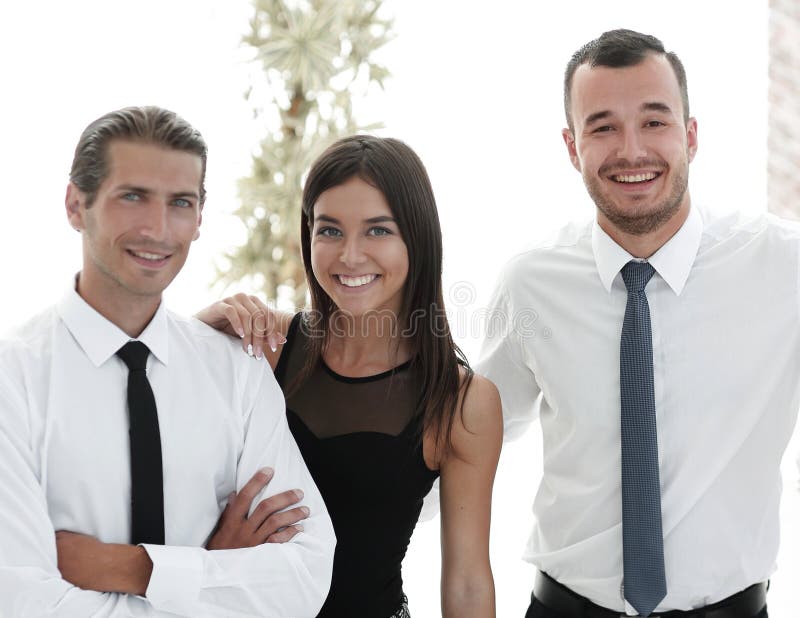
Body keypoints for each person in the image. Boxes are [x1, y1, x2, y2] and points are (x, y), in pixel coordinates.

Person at [478, 28, 796, 618]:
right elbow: (464, 438)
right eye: (603, 127)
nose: (631, 150)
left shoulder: (784, 268)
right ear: (572, 148)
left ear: (691, 135)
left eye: (654, 121)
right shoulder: (531, 284)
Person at [0, 106, 335, 617]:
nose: (158, 229)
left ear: (200, 218)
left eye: (180, 202)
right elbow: (24, 601)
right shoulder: (12, 380)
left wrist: (139, 569)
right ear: (75, 204)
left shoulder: (238, 374)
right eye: (133, 196)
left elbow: (302, 580)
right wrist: (214, 568)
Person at [197, 135, 503, 617]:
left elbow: (466, 582)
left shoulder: (461, 401)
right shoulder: (265, 346)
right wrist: (200, 331)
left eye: (378, 231)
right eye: (330, 231)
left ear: (417, 238)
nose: (350, 256)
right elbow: (155, 451)